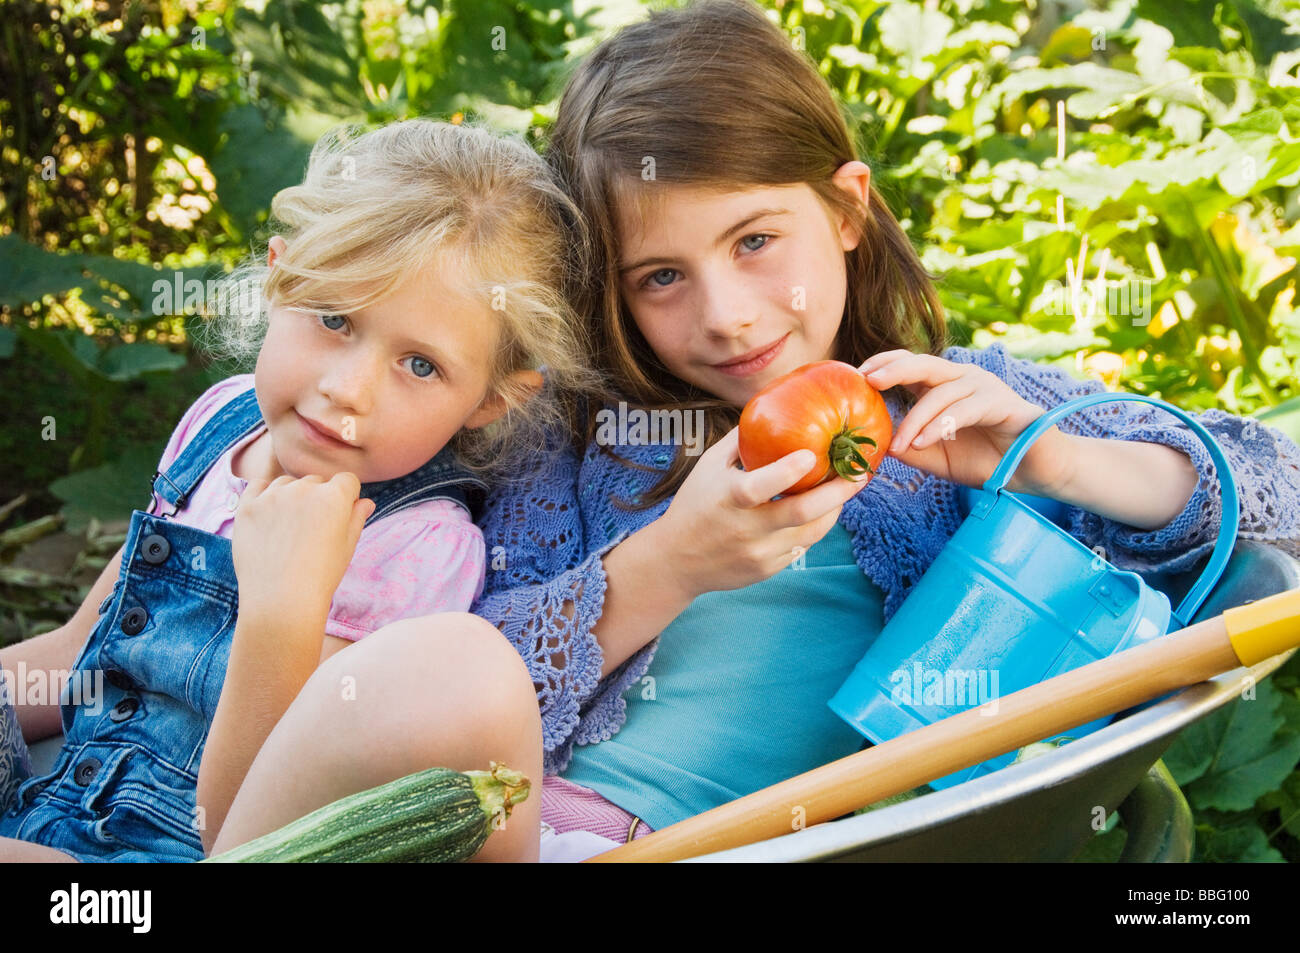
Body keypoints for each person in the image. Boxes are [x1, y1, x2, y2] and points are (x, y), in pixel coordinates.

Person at [470, 0, 1300, 856]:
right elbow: (457, 692)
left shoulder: (955, 405)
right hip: (549, 829)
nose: (726, 316)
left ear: (846, 208)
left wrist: (1052, 460)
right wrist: (666, 566)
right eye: (660, 276)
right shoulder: (580, 437)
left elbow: (1278, 494)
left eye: (754, 240)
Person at [0, 118, 599, 862]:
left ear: (490, 400)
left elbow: (245, 831)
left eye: (420, 366)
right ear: (281, 275)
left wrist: (284, 610)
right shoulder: (219, 424)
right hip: (54, 801)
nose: (346, 390)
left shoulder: (417, 544)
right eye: (334, 318)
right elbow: (76, 653)